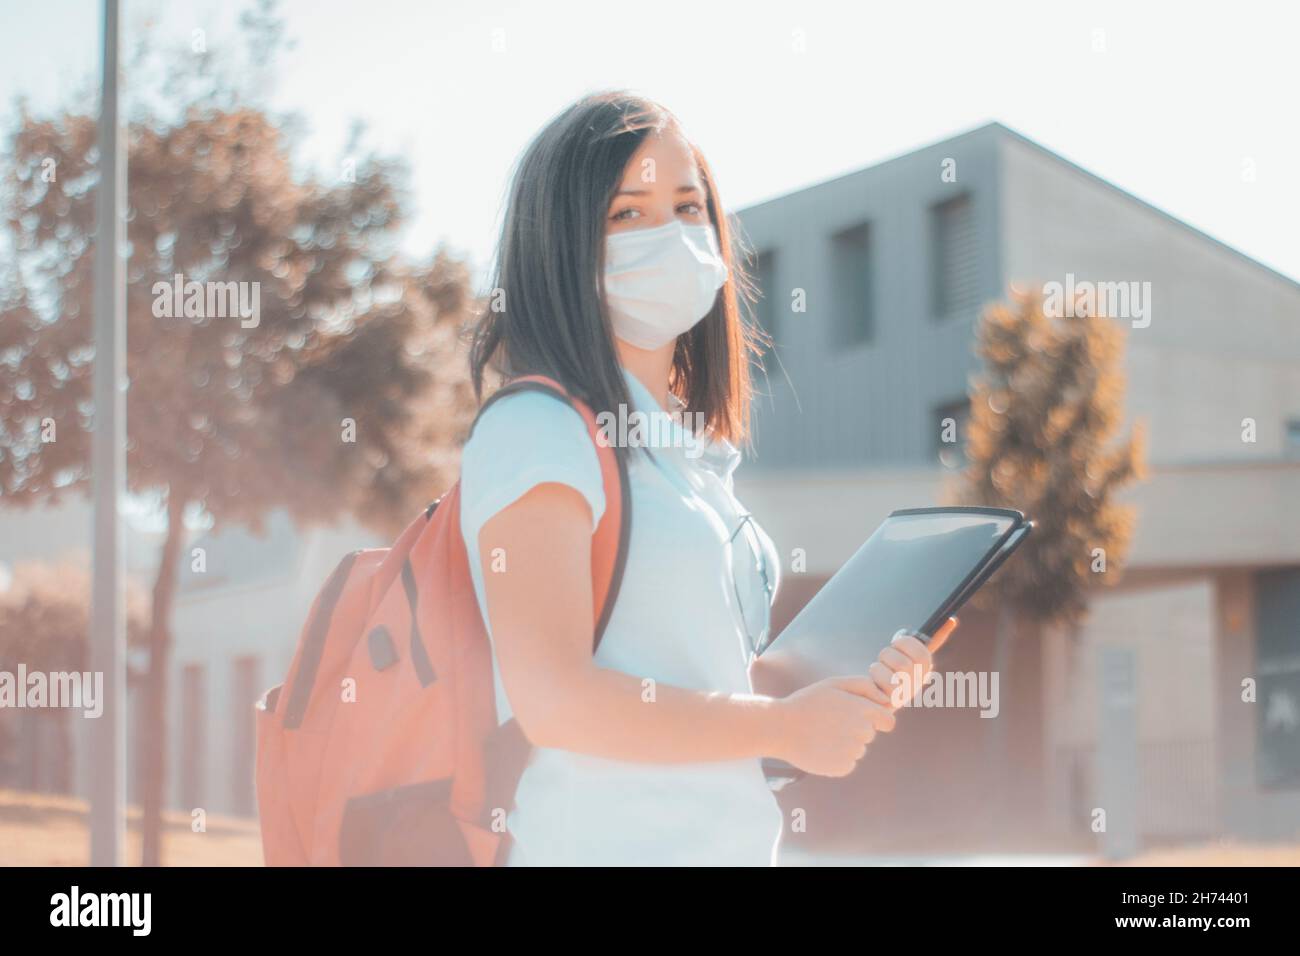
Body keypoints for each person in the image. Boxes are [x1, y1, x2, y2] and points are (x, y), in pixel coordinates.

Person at [461, 91, 956, 866]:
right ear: (559, 245)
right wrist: (783, 727)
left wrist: (843, 689)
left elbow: (704, 682)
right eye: (627, 214)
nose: (672, 235)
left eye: (689, 208)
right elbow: (554, 699)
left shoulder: (687, 459)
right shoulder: (537, 430)